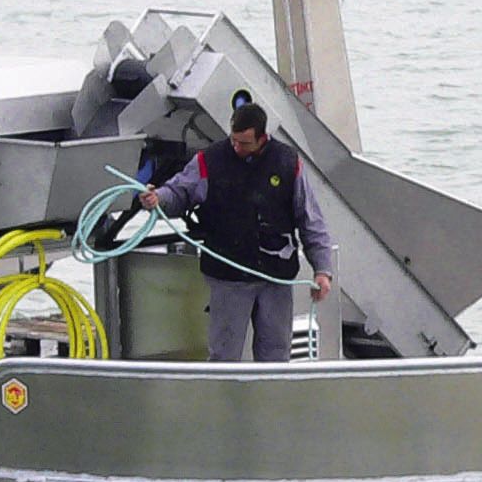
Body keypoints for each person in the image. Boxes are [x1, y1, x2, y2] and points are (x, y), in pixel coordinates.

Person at [137, 102, 336, 363]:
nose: (236, 148)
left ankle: (270, 402)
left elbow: (310, 220)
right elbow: (179, 191)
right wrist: (158, 198)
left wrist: (322, 270)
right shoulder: (208, 160)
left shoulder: (289, 162)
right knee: (223, 355)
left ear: (263, 138)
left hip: (275, 278)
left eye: (244, 143)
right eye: (233, 140)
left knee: (276, 354)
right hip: (228, 278)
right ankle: (222, 401)